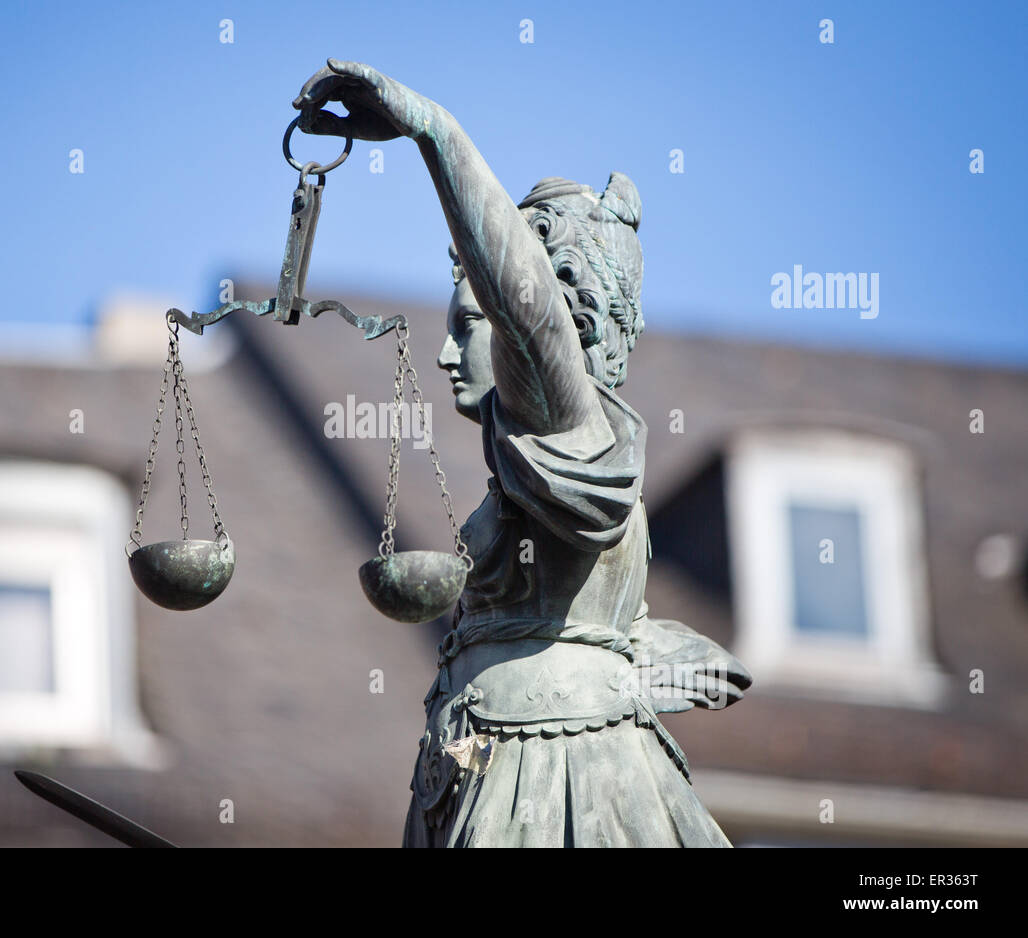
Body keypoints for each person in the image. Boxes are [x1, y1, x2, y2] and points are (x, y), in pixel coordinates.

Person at [295, 60, 752, 847]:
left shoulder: (572, 434)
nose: (444, 352)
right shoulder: (527, 471)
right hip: (480, 774)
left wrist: (431, 131)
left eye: (468, 325)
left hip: (557, 787)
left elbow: (529, 310)